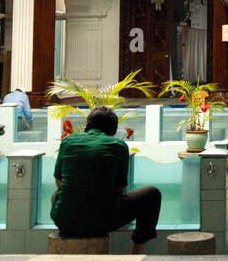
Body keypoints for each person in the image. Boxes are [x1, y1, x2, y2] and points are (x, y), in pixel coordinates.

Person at [50, 106, 160, 253]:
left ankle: (73, 222)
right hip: (103, 221)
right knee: (152, 194)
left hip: (64, 221)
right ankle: (136, 253)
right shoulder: (118, 146)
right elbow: (119, 189)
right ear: (113, 130)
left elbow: (59, 182)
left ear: (87, 125)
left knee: (56, 195)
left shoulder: (68, 142)